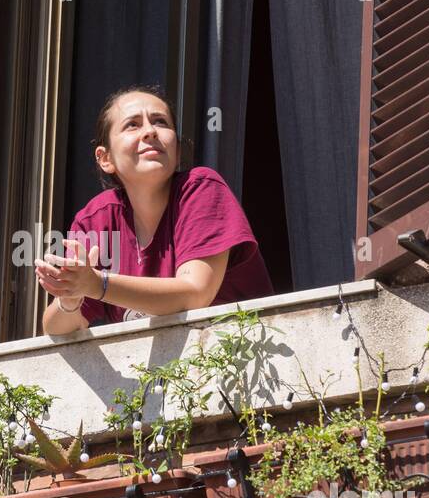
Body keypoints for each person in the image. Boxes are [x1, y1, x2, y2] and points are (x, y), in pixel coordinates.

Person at [37, 85, 274, 334]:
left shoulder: (201, 189)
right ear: (105, 158)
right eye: (132, 125)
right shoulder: (96, 219)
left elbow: (194, 295)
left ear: (177, 149)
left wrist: (98, 284)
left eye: (161, 122)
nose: (150, 131)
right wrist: (69, 302)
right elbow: (56, 329)